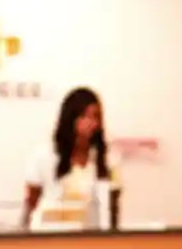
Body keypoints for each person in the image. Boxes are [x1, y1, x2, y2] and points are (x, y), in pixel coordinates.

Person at [24, 87, 117, 231]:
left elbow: (112, 208)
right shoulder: (44, 154)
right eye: (84, 116)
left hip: (91, 240)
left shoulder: (106, 157)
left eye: (96, 117)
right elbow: (31, 203)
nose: (91, 123)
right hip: (48, 237)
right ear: (70, 117)